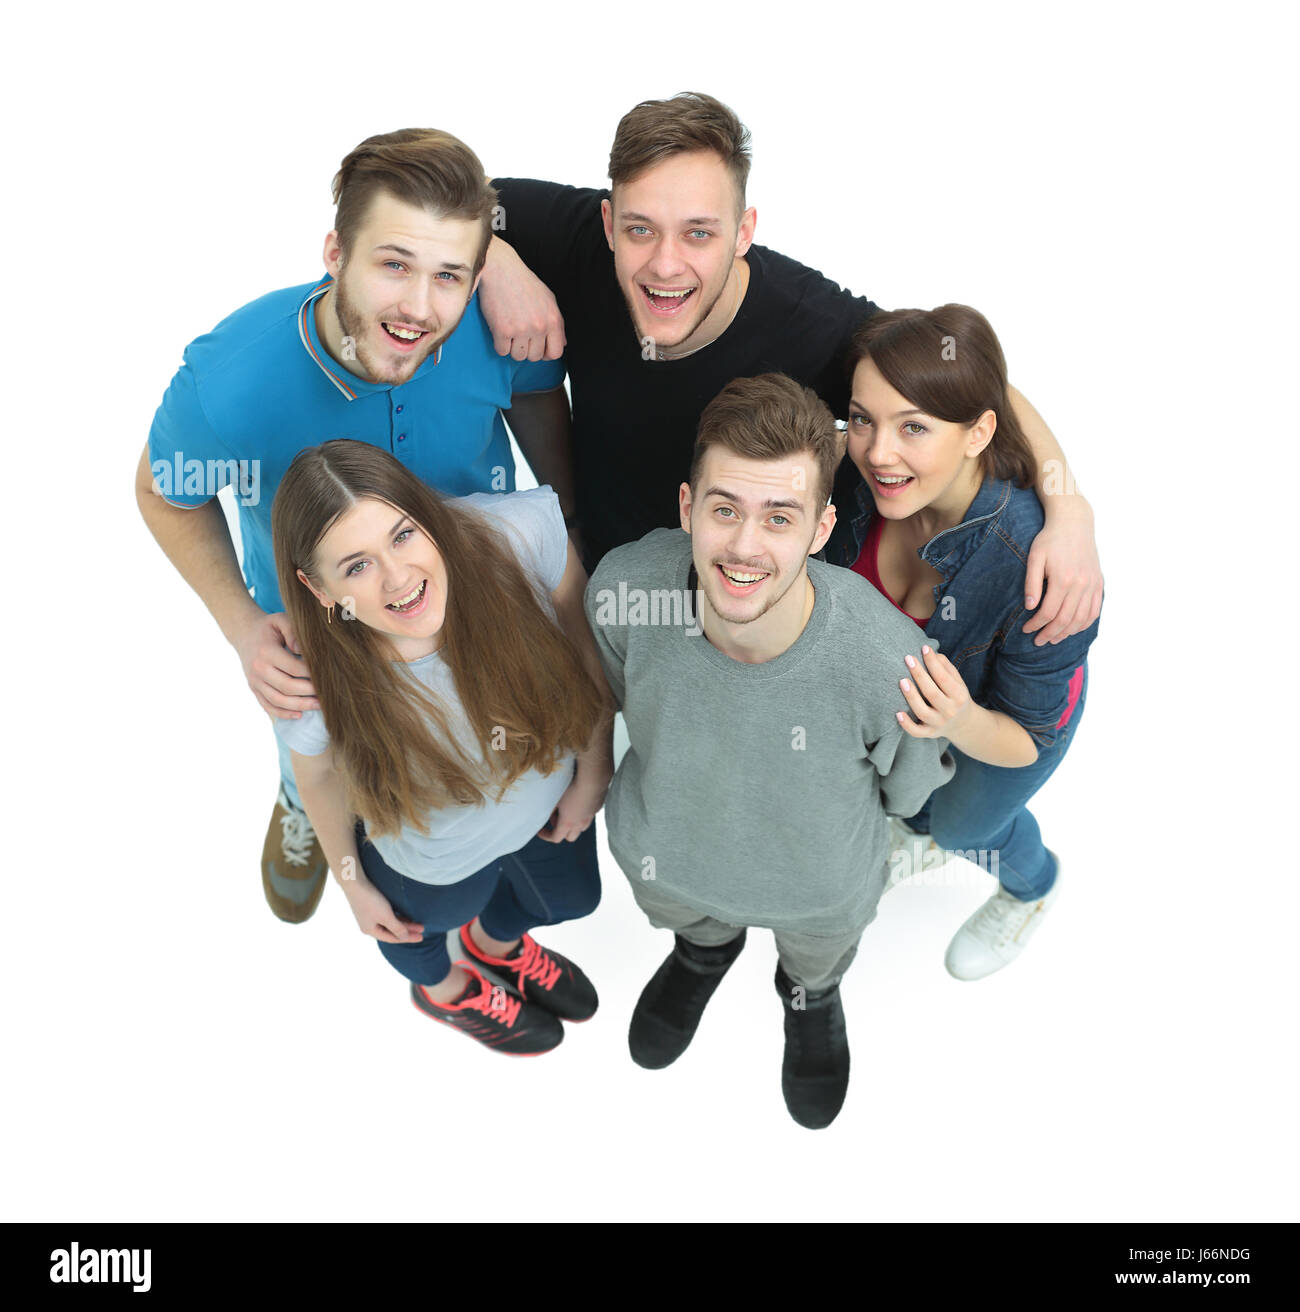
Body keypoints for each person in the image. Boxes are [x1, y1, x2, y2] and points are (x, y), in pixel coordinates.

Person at [135, 127, 579, 925]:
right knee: (318, 740)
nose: (418, 309)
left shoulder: (498, 318)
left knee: (483, 731)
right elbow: (165, 493)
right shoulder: (231, 381)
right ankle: (303, 807)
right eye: (393, 265)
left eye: (448, 275)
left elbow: (539, 395)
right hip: (326, 626)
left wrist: (566, 518)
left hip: (471, 593)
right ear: (335, 251)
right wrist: (243, 626)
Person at [480, 92, 1102, 648]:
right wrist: (493, 255)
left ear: (744, 232)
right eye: (641, 229)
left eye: (699, 234)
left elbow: (964, 385)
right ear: (610, 222)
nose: (665, 265)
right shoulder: (576, 236)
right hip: (617, 595)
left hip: (762, 613)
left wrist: (1071, 510)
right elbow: (409, 194)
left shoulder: (809, 320)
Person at [583, 374, 954, 1128]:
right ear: (688, 507)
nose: (745, 547)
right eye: (725, 510)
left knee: (816, 959)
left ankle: (811, 998)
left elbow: (909, 793)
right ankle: (702, 957)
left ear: (820, 530)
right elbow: (617, 696)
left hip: (818, 890)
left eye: (779, 518)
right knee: (696, 927)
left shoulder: (891, 663)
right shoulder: (623, 589)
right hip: (671, 860)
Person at [272, 440, 613, 1055]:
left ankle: (498, 947)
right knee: (416, 944)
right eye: (356, 566)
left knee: (573, 898)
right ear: (318, 589)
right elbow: (317, 776)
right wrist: (351, 882)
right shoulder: (315, 675)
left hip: (545, 798)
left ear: (425, 513)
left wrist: (594, 765)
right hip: (429, 861)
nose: (398, 579)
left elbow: (577, 627)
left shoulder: (517, 533)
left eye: (402, 535)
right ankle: (449, 990)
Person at [821, 304, 1101, 980]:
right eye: (863, 419)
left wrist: (959, 721)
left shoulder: (1033, 566)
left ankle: (1032, 887)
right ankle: (919, 833)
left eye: (913, 427)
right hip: (925, 706)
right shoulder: (861, 481)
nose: (878, 451)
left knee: (964, 826)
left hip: (1008, 719)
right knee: (911, 799)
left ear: (979, 432)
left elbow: (1026, 736)